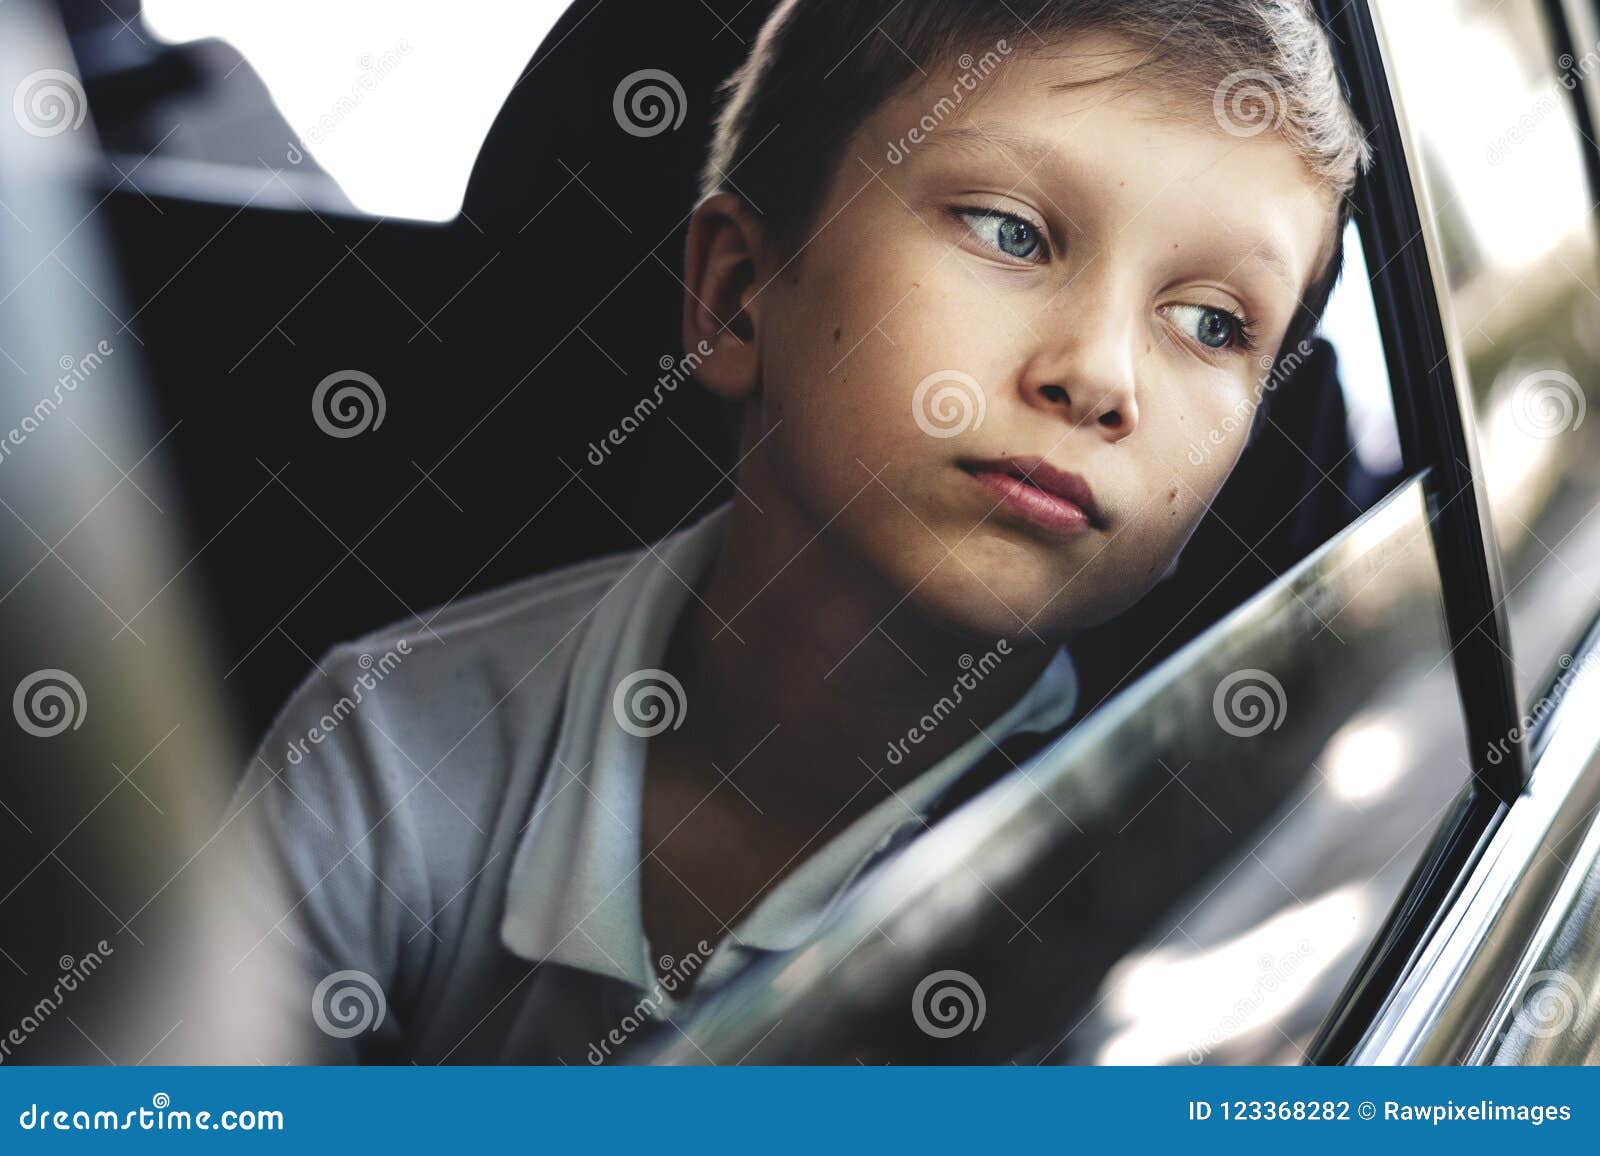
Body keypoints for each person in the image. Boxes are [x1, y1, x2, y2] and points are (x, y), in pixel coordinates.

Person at [196, 0, 1371, 1063]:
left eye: (1214, 323)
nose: (1102, 376)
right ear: (738, 295)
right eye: (1010, 232)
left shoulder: (1198, 910)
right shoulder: (389, 745)